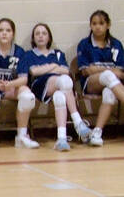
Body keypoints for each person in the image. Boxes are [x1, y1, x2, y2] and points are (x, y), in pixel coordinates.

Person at [23, 23, 91, 150]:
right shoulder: (29, 54)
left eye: (44, 33)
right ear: (33, 38)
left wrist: (45, 68)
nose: (41, 36)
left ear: (49, 37)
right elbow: (34, 72)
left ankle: (61, 139)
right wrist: (54, 66)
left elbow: (66, 71)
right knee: (64, 81)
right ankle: (78, 122)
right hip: (40, 86)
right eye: (37, 34)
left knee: (60, 95)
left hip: (58, 85)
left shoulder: (58, 53)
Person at [0, 17, 37, 150]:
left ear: (13, 34)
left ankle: (21, 136)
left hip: (10, 88)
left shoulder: (19, 52)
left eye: (8, 30)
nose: (4, 33)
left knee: (28, 96)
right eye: (1, 30)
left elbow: (23, 79)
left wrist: (9, 85)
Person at [77, 9, 124, 146]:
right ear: (90, 26)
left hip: (112, 84)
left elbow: (121, 72)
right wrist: (109, 70)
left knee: (109, 93)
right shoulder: (84, 44)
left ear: (108, 25)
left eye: (101, 23)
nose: (97, 26)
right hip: (91, 84)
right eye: (94, 23)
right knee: (109, 75)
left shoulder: (116, 44)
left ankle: (97, 132)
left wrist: (99, 69)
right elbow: (87, 71)